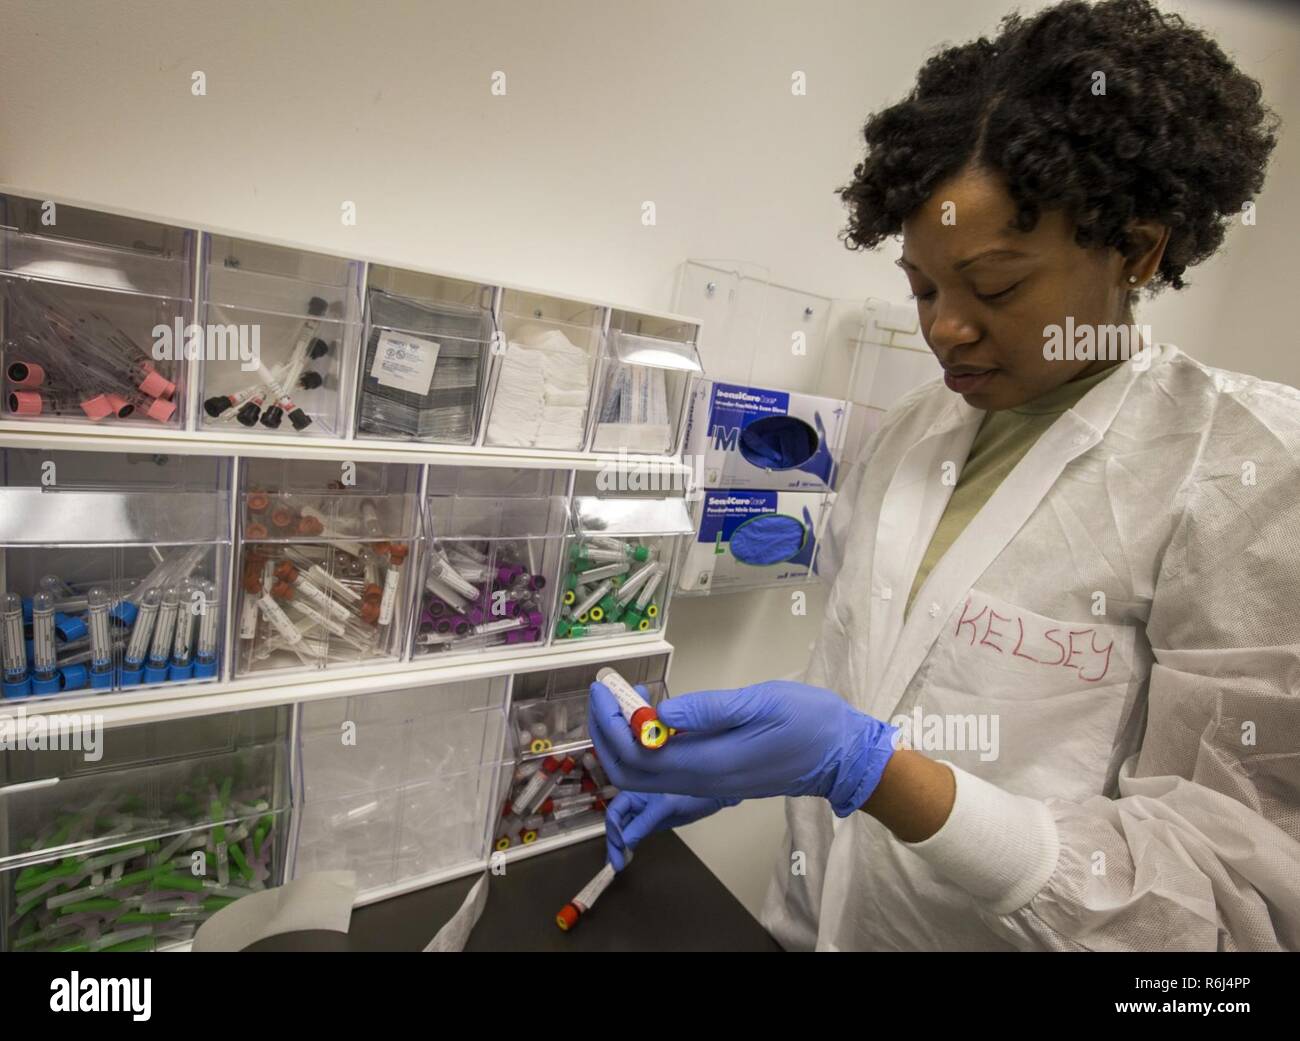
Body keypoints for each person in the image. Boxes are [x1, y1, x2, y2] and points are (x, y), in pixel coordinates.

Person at [588, 0, 1300, 951]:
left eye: (995, 286)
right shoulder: (922, 427)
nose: (944, 330)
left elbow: (1230, 904)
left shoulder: (1245, 469)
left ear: (1135, 249)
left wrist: (869, 770)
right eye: (922, 286)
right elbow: (875, 676)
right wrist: (748, 762)